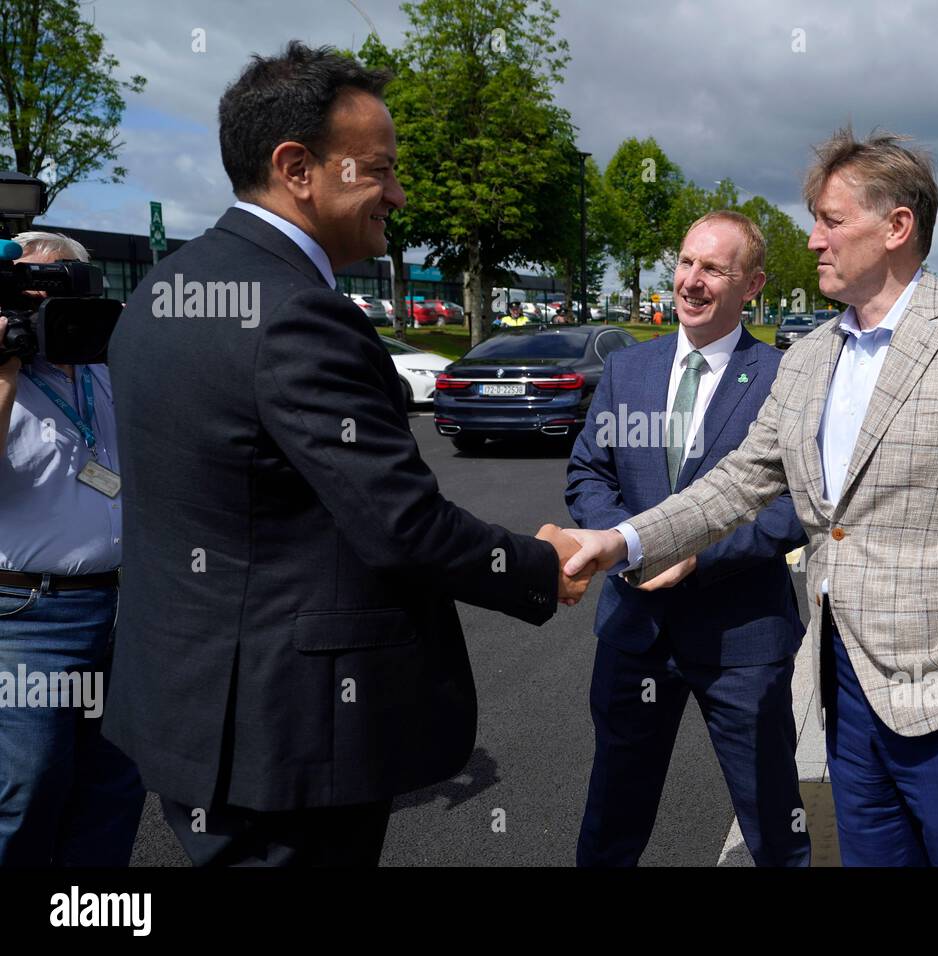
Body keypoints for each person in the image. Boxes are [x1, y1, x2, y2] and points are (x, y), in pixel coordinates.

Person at [102, 42, 591, 867]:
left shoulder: (163, 287)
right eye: (380, 170)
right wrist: (539, 565)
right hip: (290, 739)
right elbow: (400, 522)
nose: (397, 194)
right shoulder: (300, 316)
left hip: (188, 714)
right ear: (297, 167)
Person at [561, 128, 938, 867]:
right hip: (843, 694)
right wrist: (621, 542)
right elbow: (739, 482)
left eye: (830, 220)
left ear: (896, 227)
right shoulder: (810, 357)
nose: (812, 239)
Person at [567, 210, 809, 867]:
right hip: (634, 628)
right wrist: (627, 542)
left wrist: (697, 555)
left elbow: (797, 502)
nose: (692, 281)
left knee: (773, 820)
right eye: (686, 263)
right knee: (613, 812)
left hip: (741, 638)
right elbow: (589, 470)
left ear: (753, 284)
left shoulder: (784, 379)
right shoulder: (629, 371)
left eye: (714, 269)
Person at [0, 231, 145, 866]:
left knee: (113, 786)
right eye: (25, 285)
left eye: (56, 284)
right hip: (27, 622)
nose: (39, 299)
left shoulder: (105, 368)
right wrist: (3, 365)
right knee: (25, 792)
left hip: (121, 611)